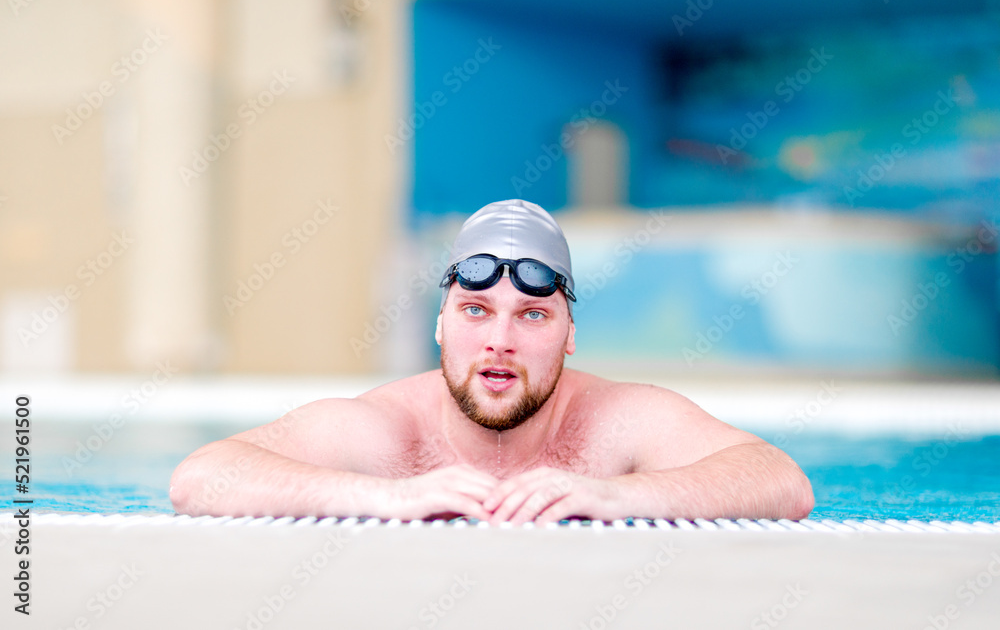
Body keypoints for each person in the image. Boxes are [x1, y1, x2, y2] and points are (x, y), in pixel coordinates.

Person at [170, 199, 814, 524]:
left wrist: (617, 496)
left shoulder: (619, 421)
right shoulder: (384, 433)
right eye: (475, 310)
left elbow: (782, 481)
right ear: (439, 325)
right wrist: (388, 498)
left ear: (568, 335)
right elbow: (202, 477)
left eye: (532, 315)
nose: (499, 340)